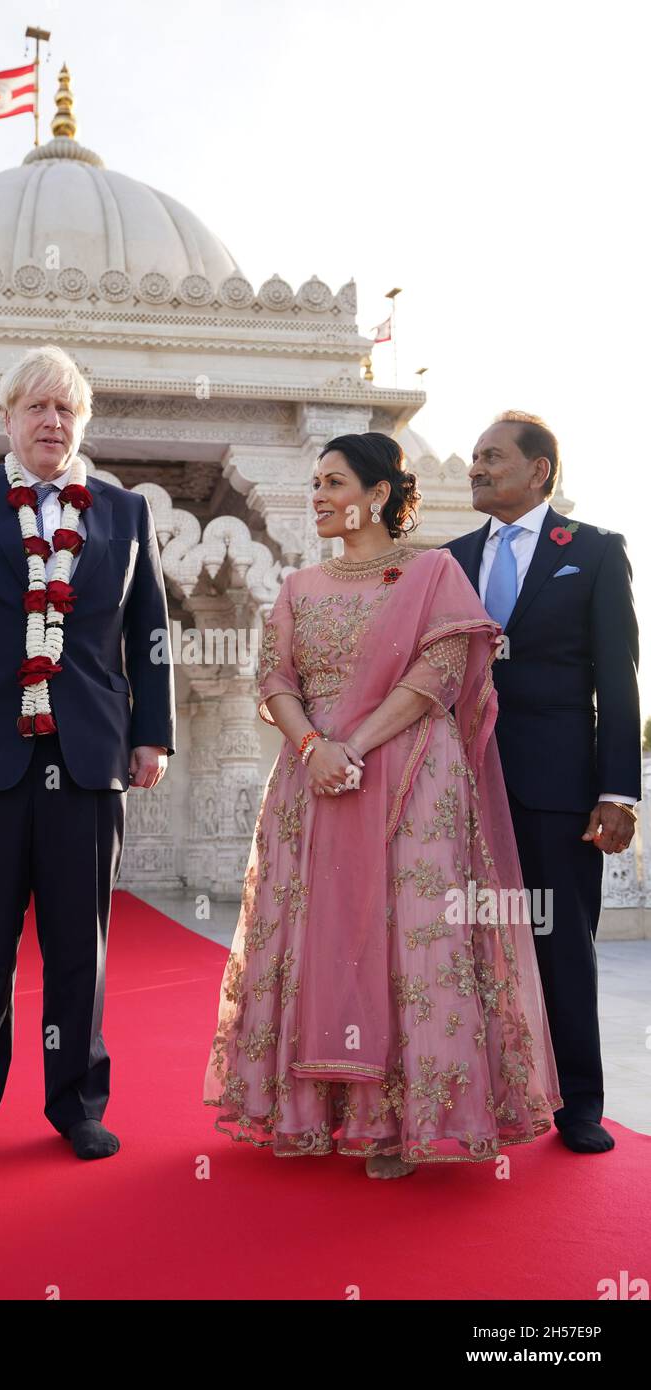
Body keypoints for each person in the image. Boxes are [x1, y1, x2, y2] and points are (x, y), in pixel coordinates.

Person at [203, 432, 562, 1178]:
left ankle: (399, 1121)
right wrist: (314, 750)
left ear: (376, 495)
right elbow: (275, 682)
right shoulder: (301, 587)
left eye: (334, 482)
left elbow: (440, 673)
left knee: (412, 933)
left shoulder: (430, 575)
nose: (320, 497)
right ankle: (321, 1110)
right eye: (315, 483)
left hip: (409, 775)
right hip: (315, 778)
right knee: (316, 932)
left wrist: (353, 746)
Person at [0, 345, 175, 1166]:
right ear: (7, 418)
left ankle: (78, 1103)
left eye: (67, 410)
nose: (52, 422)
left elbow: (147, 631)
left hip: (88, 757)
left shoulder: (124, 510)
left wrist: (151, 731)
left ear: (82, 422)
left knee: (78, 944)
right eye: (36, 408)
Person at [445, 411, 641, 1154]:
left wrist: (618, 792)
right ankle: (482, 1093)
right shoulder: (449, 559)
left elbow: (618, 679)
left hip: (557, 789)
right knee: (463, 940)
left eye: (492, 458)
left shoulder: (591, 553)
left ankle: (579, 1105)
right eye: (472, 458)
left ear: (539, 472)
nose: (477, 468)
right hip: (459, 785)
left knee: (561, 944)